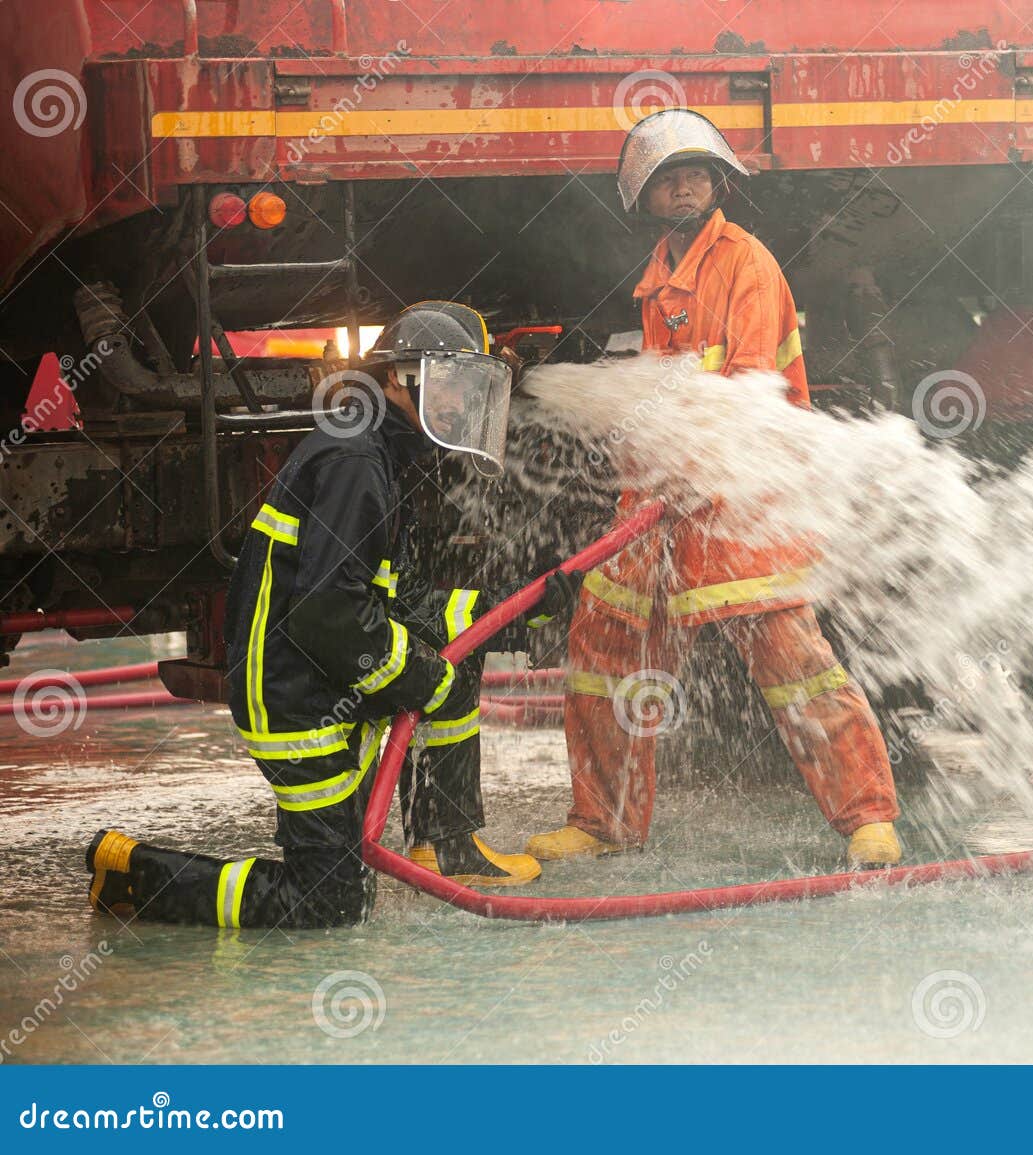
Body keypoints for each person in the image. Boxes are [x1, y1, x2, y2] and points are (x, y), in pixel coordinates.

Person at [87, 300, 550, 929]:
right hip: (296, 697)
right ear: (396, 378)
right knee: (328, 901)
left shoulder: (382, 449)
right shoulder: (356, 462)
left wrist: (512, 613)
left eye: (471, 390)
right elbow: (330, 614)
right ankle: (133, 876)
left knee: (452, 651)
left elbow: (388, 594)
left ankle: (446, 841)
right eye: (451, 387)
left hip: (324, 677)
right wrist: (420, 678)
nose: (462, 405)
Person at [526, 109, 901, 868]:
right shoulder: (659, 280)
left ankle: (868, 817)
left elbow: (747, 389)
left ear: (719, 180)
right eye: (668, 177)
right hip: (665, 498)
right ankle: (603, 822)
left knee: (791, 657)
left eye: (695, 171)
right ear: (646, 200)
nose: (685, 184)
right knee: (605, 643)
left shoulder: (746, 263)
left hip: (740, 496)